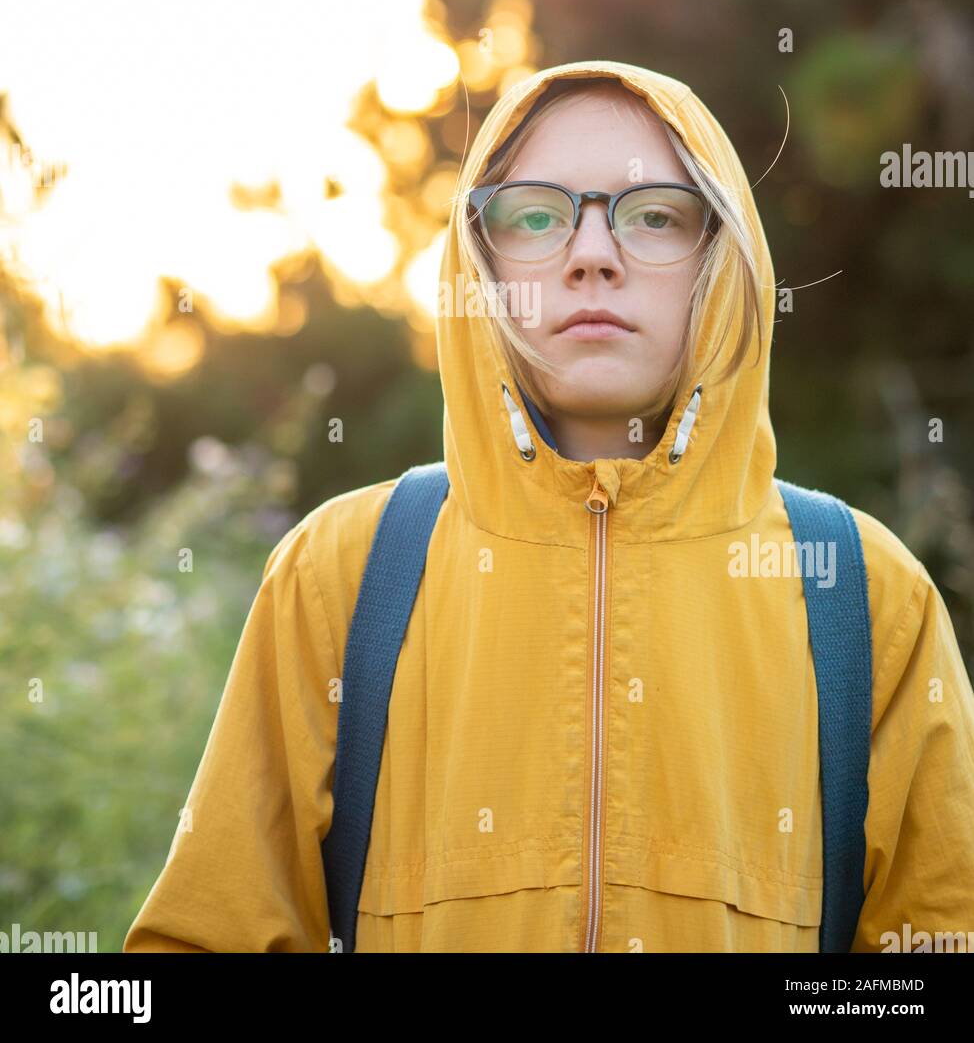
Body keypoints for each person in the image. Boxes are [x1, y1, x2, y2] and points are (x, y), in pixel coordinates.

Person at [123, 59, 974, 953]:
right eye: (535, 215)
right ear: (479, 261)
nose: (593, 255)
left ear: (721, 260)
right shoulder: (340, 572)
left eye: (655, 216)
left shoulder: (866, 595)